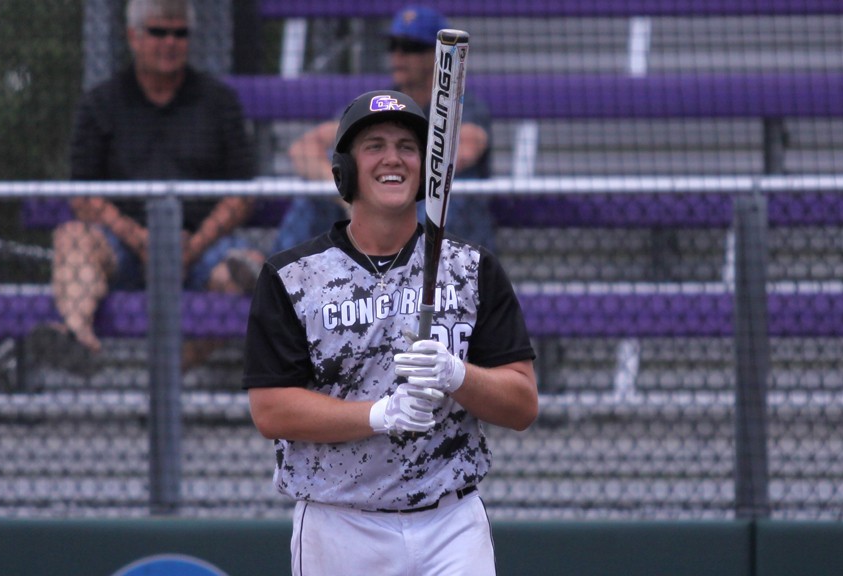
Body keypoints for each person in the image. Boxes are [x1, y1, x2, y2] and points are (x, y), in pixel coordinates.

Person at [243, 90, 537, 576]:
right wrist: (379, 414)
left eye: (407, 146)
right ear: (345, 169)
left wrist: (458, 375)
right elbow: (271, 409)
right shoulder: (292, 276)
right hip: (339, 524)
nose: (393, 158)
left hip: (450, 522)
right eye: (374, 145)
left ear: (427, 168)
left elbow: (523, 405)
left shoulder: (471, 269)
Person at [42, 0, 261, 368]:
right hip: (123, 249)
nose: (170, 42)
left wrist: (193, 245)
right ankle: (75, 333)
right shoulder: (100, 103)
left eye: (180, 33)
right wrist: (141, 239)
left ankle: (167, 373)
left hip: (203, 247)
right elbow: (83, 196)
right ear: (133, 37)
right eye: (158, 31)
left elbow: (242, 195)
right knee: (71, 236)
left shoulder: (219, 102)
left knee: (248, 269)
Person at [273, 4, 495, 254]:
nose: (398, 56)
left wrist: (386, 182)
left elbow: (461, 151)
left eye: (410, 48)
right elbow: (302, 148)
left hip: (449, 236)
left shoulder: (460, 105)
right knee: (315, 191)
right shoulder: (381, 103)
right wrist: (348, 195)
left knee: (440, 193)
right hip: (375, 213)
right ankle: (283, 280)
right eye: (393, 46)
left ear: (437, 55)